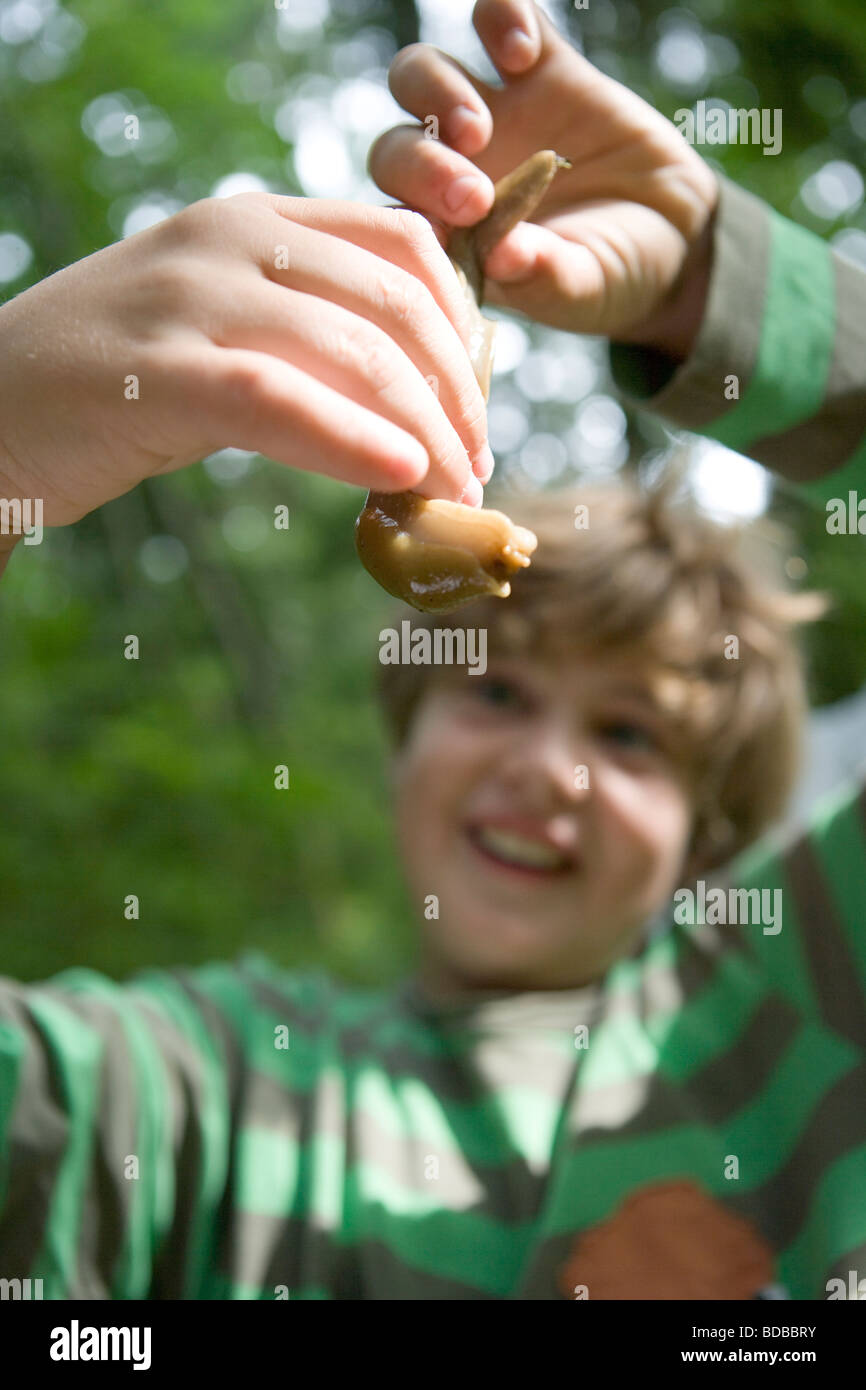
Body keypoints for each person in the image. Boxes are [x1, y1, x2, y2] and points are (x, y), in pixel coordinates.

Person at [0, 0, 864, 1299]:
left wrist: (724, 289)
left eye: (629, 732)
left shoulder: (805, 1012)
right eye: (498, 689)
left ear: (707, 824)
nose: (547, 768)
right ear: (405, 731)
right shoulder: (184, 1099)